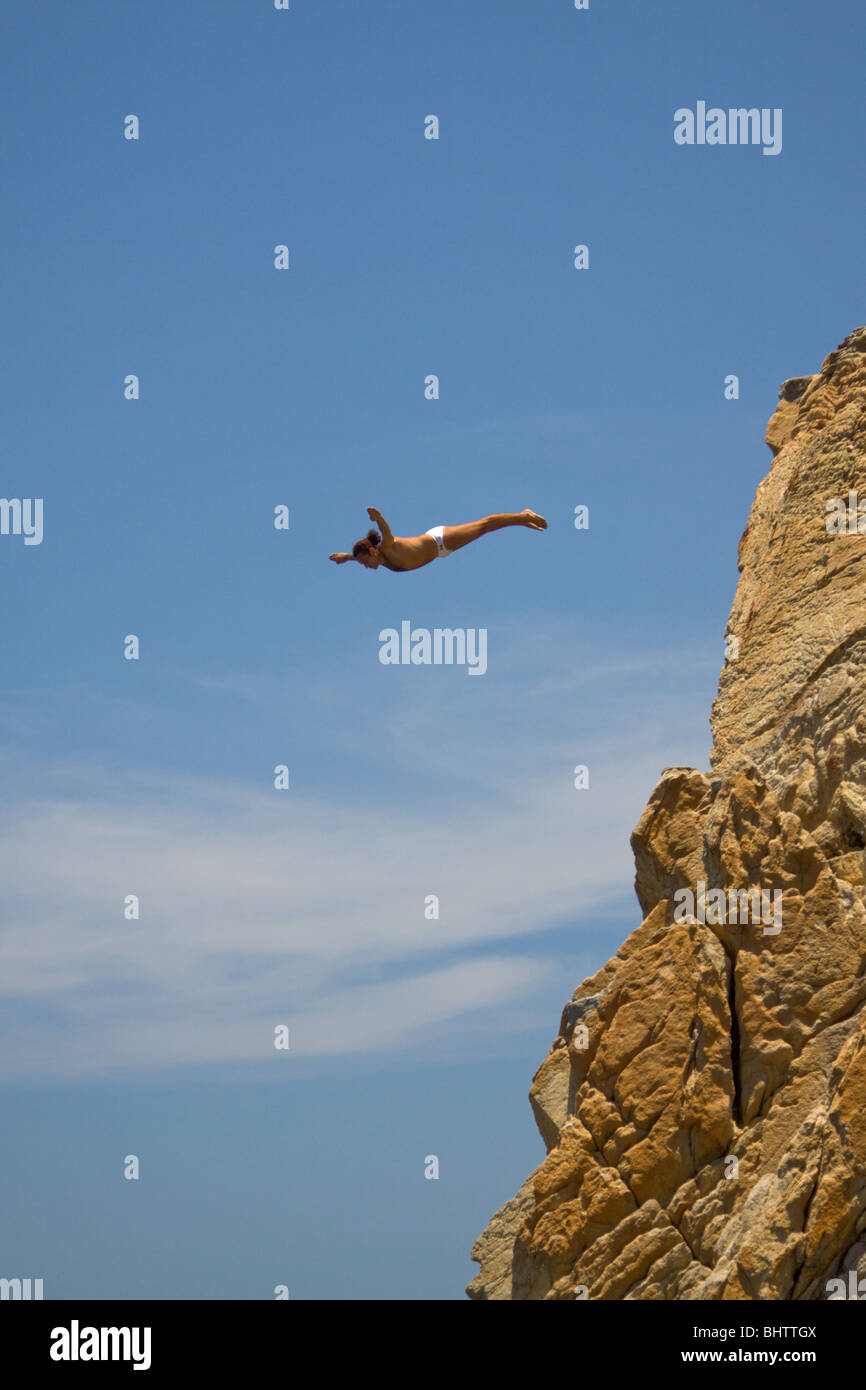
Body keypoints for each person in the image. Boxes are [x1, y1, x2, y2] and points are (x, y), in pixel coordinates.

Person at [330, 507, 547, 572]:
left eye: (364, 562)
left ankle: (523, 516)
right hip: (440, 553)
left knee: (483, 526)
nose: (366, 567)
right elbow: (360, 555)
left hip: (440, 540)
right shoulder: (379, 557)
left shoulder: (388, 547)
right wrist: (347, 558)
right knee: (483, 530)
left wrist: (379, 518)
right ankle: (521, 519)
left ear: (373, 552)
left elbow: (386, 532)